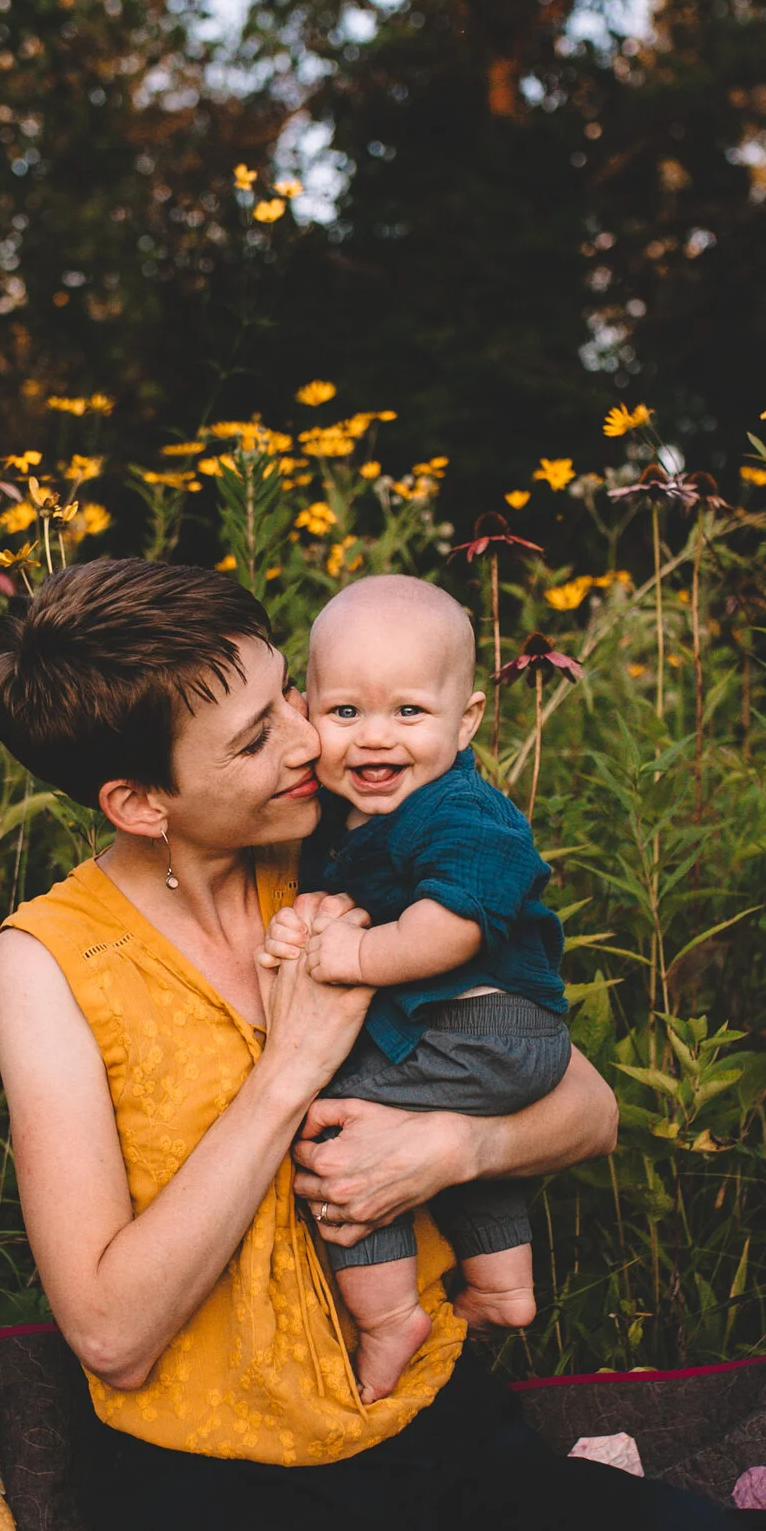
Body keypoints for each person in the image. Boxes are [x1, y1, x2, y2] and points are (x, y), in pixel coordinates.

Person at [0, 559, 766, 1531]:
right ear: (140, 802)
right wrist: (289, 1067)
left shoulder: (363, 847)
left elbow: (589, 1107)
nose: (306, 741)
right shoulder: (49, 961)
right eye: (253, 739)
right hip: (225, 1487)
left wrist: (445, 1145)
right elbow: (110, 1332)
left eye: (291, 693)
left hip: (432, 1416)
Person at [259, 575, 568, 1404]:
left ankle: (389, 1315)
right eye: (346, 712)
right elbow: (341, 900)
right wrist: (311, 919)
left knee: (341, 1123)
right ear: (305, 710)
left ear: (466, 720)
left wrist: (352, 959)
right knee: (453, 1131)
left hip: (491, 1027)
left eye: (408, 712)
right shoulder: (341, 817)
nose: (373, 740)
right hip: (479, 1038)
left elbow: (449, 930)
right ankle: (504, 1291)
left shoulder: (459, 811)